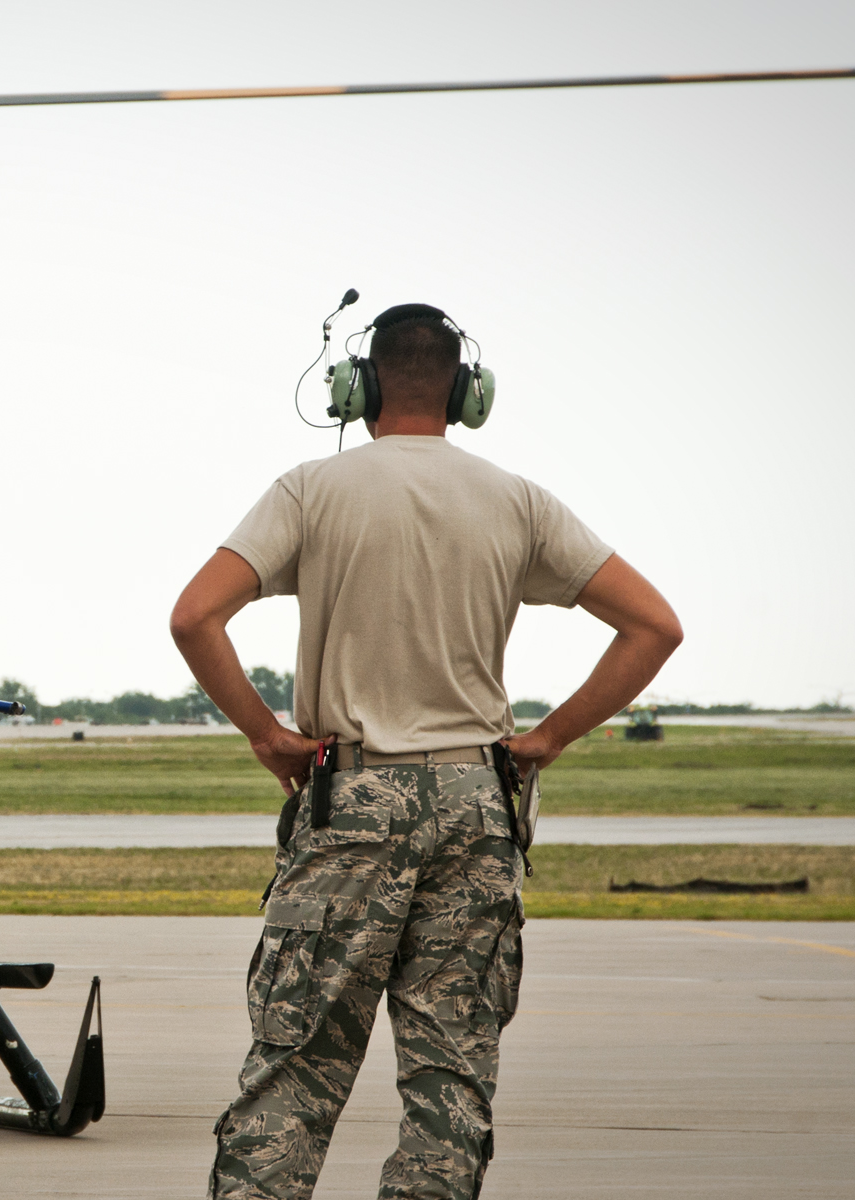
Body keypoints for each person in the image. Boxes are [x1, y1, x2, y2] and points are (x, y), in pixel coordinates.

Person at [170, 302, 682, 1200]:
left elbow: (194, 615)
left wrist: (266, 733)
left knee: (298, 1063)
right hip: (478, 804)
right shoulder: (519, 500)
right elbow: (654, 626)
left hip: (354, 797)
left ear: (360, 387)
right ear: (466, 392)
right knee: (451, 1076)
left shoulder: (309, 490)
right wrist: (548, 738)